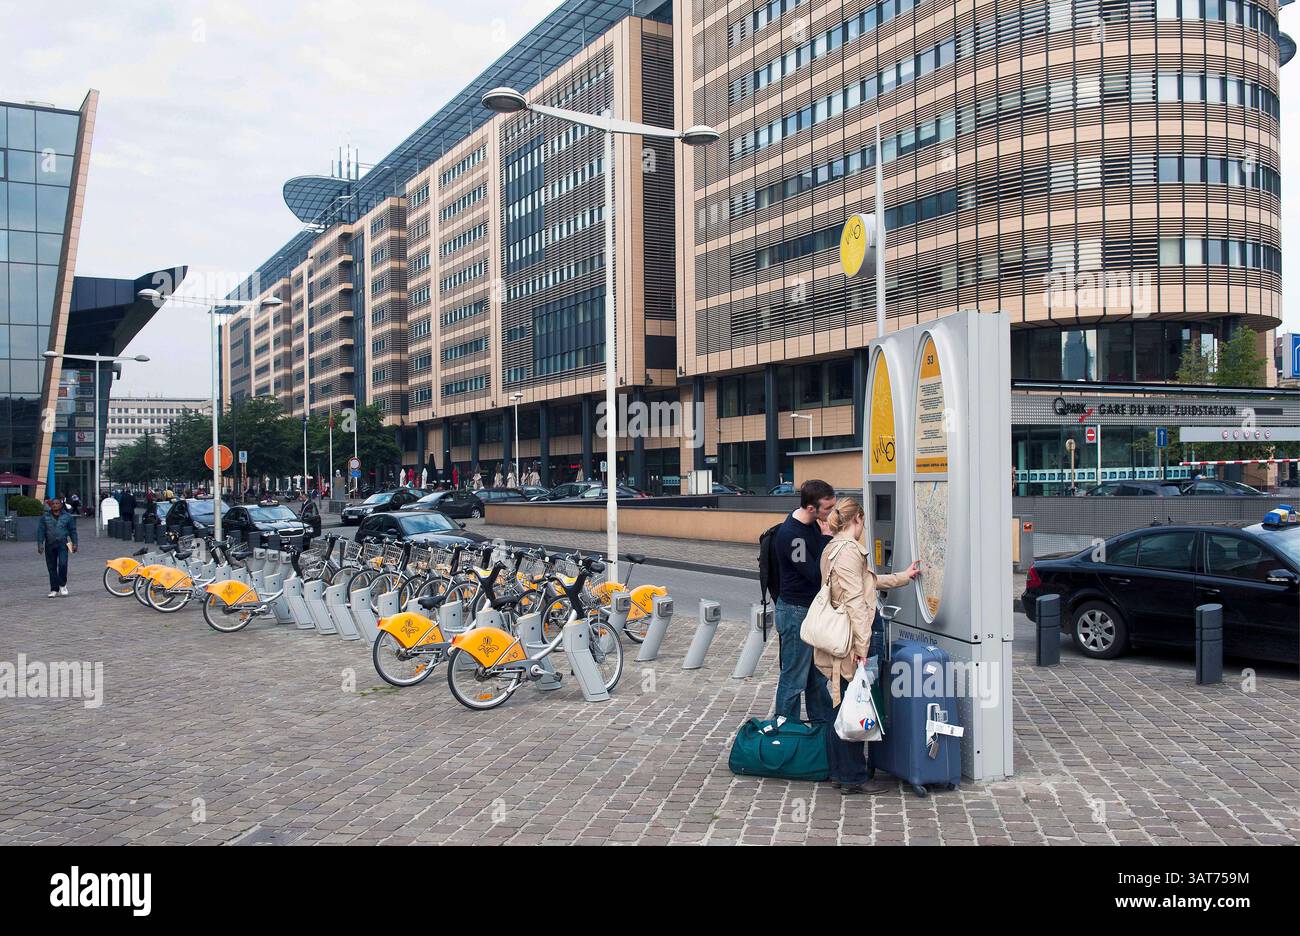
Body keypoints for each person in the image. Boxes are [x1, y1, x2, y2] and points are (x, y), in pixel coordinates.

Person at [814, 498, 921, 794]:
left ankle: (839, 773)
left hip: (842, 638)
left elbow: (868, 583)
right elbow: (856, 604)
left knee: (840, 704)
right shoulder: (849, 551)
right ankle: (853, 776)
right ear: (857, 519)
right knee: (854, 704)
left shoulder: (832, 548)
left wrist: (903, 577)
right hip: (854, 640)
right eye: (864, 521)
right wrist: (862, 650)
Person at [773, 479, 837, 722]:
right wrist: (825, 538)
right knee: (794, 677)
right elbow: (813, 573)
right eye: (828, 508)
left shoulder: (811, 523)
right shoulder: (792, 535)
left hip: (811, 610)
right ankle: (786, 730)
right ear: (812, 508)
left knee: (817, 675)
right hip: (795, 612)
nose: (832, 512)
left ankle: (821, 732)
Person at [37, 497, 78, 597]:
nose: (55, 505)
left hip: (62, 544)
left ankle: (63, 584)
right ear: (50, 506)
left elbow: (73, 531)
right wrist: (40, 544)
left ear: (61, 505)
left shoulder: (67, 517)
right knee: (51, 567)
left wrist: (75, 543)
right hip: (50, 545)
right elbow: (41, 531)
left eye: (57, 503)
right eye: (53, 504)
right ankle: (54, 589)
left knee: (63, 564)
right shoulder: (45, 517)